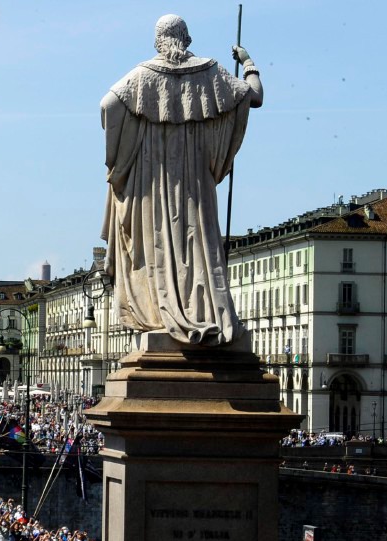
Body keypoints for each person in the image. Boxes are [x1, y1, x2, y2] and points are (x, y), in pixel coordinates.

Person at [100, 14, 264, 346]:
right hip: (196, 183)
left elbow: (109, 105)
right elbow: (254, 96)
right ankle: (204, 311)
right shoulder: (211, 73)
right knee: (197, 241)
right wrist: (248, 63)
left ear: (158, 40)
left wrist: (117, 157)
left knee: (158, 243)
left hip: (153, 178)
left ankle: (165, 314)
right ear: (186, 38)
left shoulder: (142, 75)